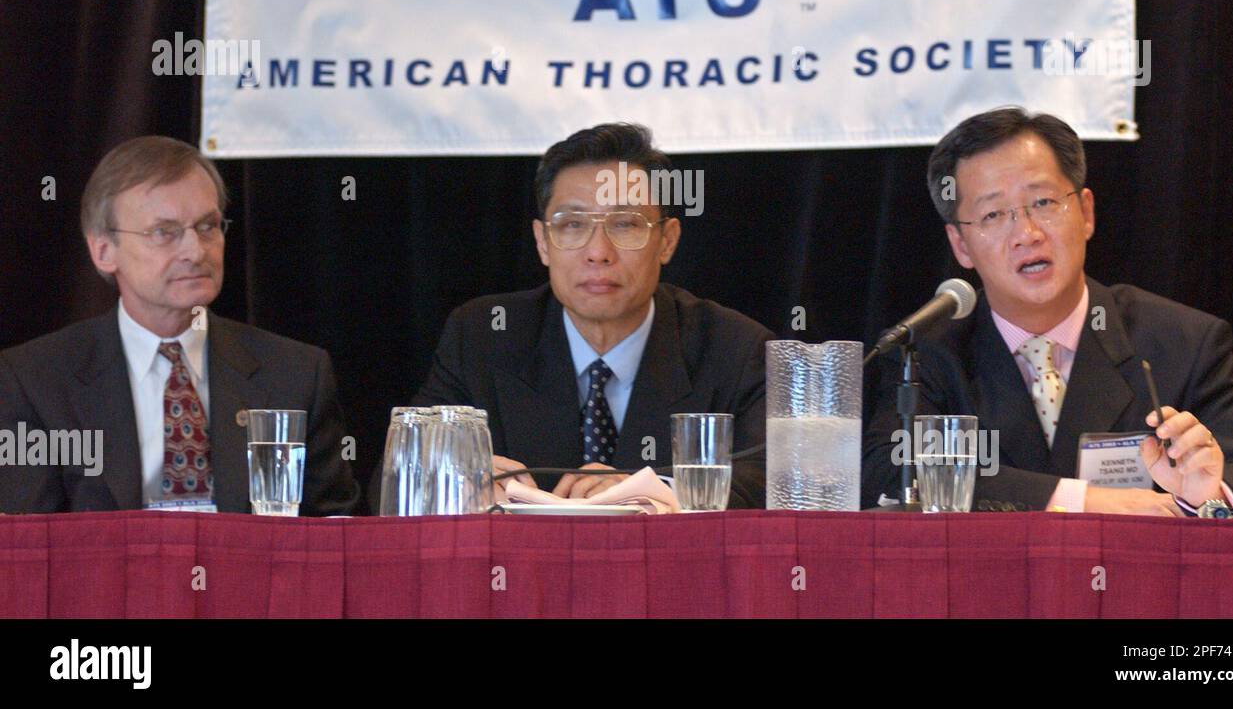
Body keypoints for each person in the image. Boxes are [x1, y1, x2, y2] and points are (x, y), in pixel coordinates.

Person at [862, 108, 1233, 516]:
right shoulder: (930, 354)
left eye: (1044, 203)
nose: (1026, 234)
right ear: (961, 245)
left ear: (1086, 212)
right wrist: (1088, 501)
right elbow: (891, 473)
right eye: (994, 214)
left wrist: (1203, 498)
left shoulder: (1180, 341)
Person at [407, 123, 771, 507]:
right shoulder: (482, 337)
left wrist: (651, 488)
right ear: (542, 242)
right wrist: (452, 477)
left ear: (667, 240)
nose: (598, 251)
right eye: (572, 225)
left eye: (626, 224)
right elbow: (398, 471)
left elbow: (773, 477)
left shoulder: (734, 348)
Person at [0, 136, 360, 515]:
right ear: (104, 251)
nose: (195, 251)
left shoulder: (296, 375)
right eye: (163, 232)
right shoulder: (35, 381)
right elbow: (28, 550)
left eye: (207, 226)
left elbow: (334, 544)